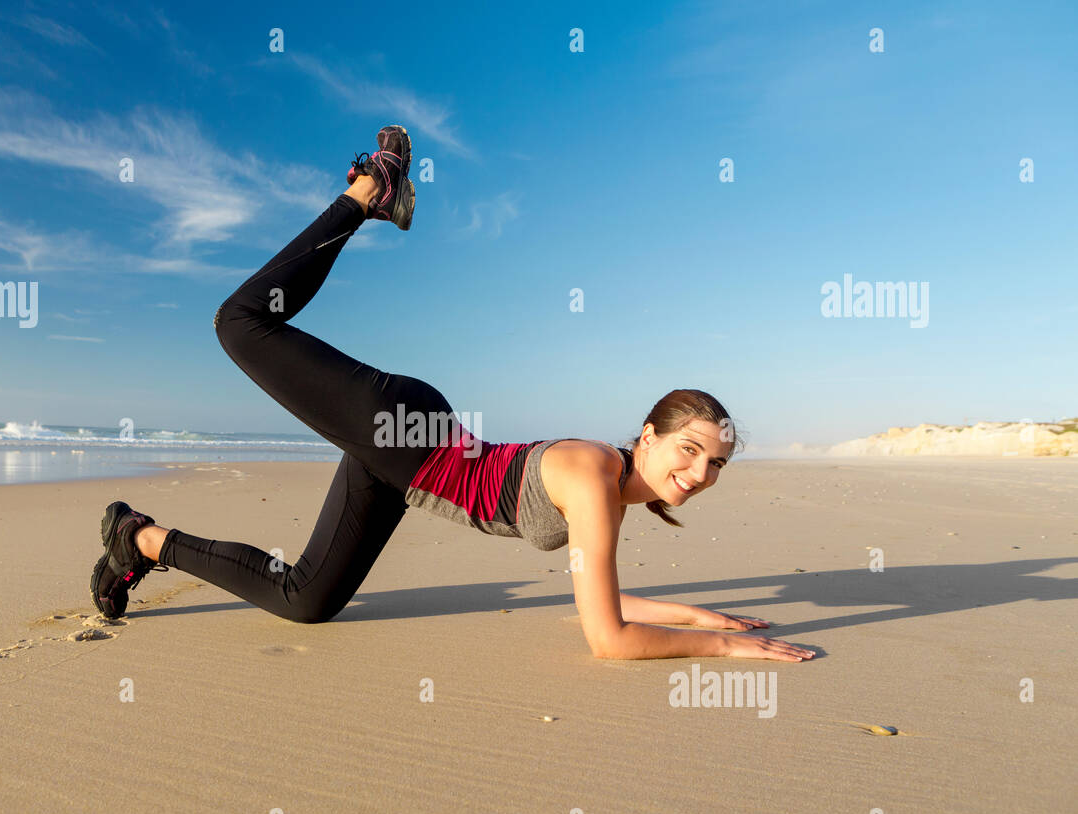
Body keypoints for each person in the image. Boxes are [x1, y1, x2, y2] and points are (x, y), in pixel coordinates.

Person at [90, 125, 815, 663]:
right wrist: (723, 654)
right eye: (691, 451)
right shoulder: (596, 477)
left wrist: (695, 617)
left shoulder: (613, 487)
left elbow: (600, 599)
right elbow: (608, 639)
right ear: (648, 436)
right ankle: (364, 192)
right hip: (400, 432)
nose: (699, 474)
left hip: (405, 464)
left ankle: (141, 539)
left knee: (305, 600)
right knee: (239, 322)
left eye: (716, 464)